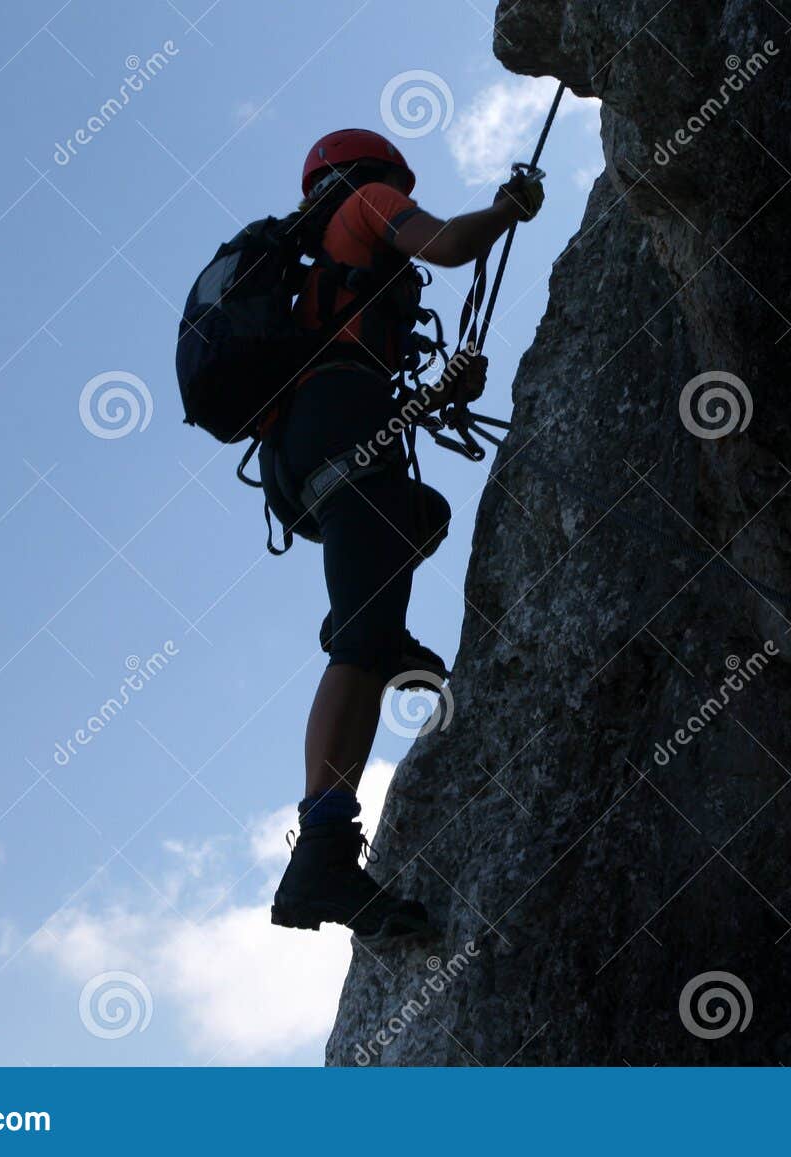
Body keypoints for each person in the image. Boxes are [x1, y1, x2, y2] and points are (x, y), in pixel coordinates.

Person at [264, 128, 544, 945]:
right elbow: (452, 245)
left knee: (418, 518)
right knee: (357, 643)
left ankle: (376, 645)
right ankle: (321, 845)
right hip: (343, 428)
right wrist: (505, 210)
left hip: (311, 450)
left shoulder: (316, 265)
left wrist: (433, 397)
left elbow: (357, 390)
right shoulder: (367, 203)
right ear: (376, 175)